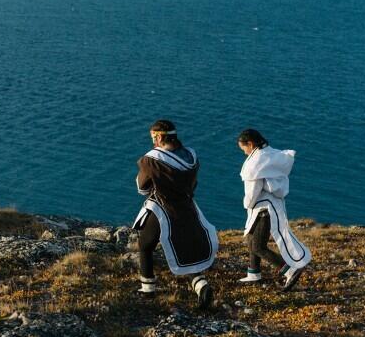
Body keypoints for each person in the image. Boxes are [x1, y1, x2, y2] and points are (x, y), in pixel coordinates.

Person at [133, 119, 219, 309]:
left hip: (162, 208)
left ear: (159, 137)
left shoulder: (152, 159)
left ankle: (147, 288)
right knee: (184, 247)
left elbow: (142, 187)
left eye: (153, 137)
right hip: (187, 207)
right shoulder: (191, 156)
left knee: (145, 244)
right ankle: (201, 285)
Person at [237, 128, 311, 290]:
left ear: (250, 144)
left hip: (263, 209)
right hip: (274, 204)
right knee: (251, 238)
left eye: (244, 149)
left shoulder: (255, 163)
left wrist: (247, 204)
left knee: (258, 246)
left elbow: (253, 190)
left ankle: (290, 269)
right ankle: (253, 272)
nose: (244, 153)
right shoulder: (270, 155)